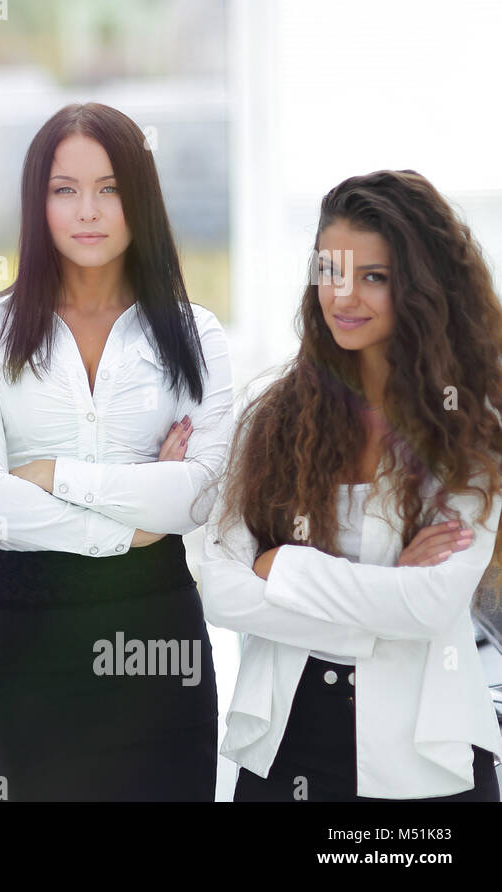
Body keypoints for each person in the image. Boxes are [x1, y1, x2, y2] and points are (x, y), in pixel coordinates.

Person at [0, 102, 233, 800]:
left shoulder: (197, 335)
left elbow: (201, 493)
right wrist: (136, 517)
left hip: (159, 631)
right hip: (31, 638)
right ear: (36, 203)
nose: (88, 210)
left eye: (109, 188)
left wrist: (51, 476)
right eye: (64, 190)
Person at [201, 169, 502, 801]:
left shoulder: (469, 429)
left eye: (374, 277)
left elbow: (430, 608)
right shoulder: (272, 413)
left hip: (427, 761)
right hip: (286, 749)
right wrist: (388, 597)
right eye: (332, 271)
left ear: (423, 289)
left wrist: (281, 565)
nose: (344, 296)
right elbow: (217, 587)